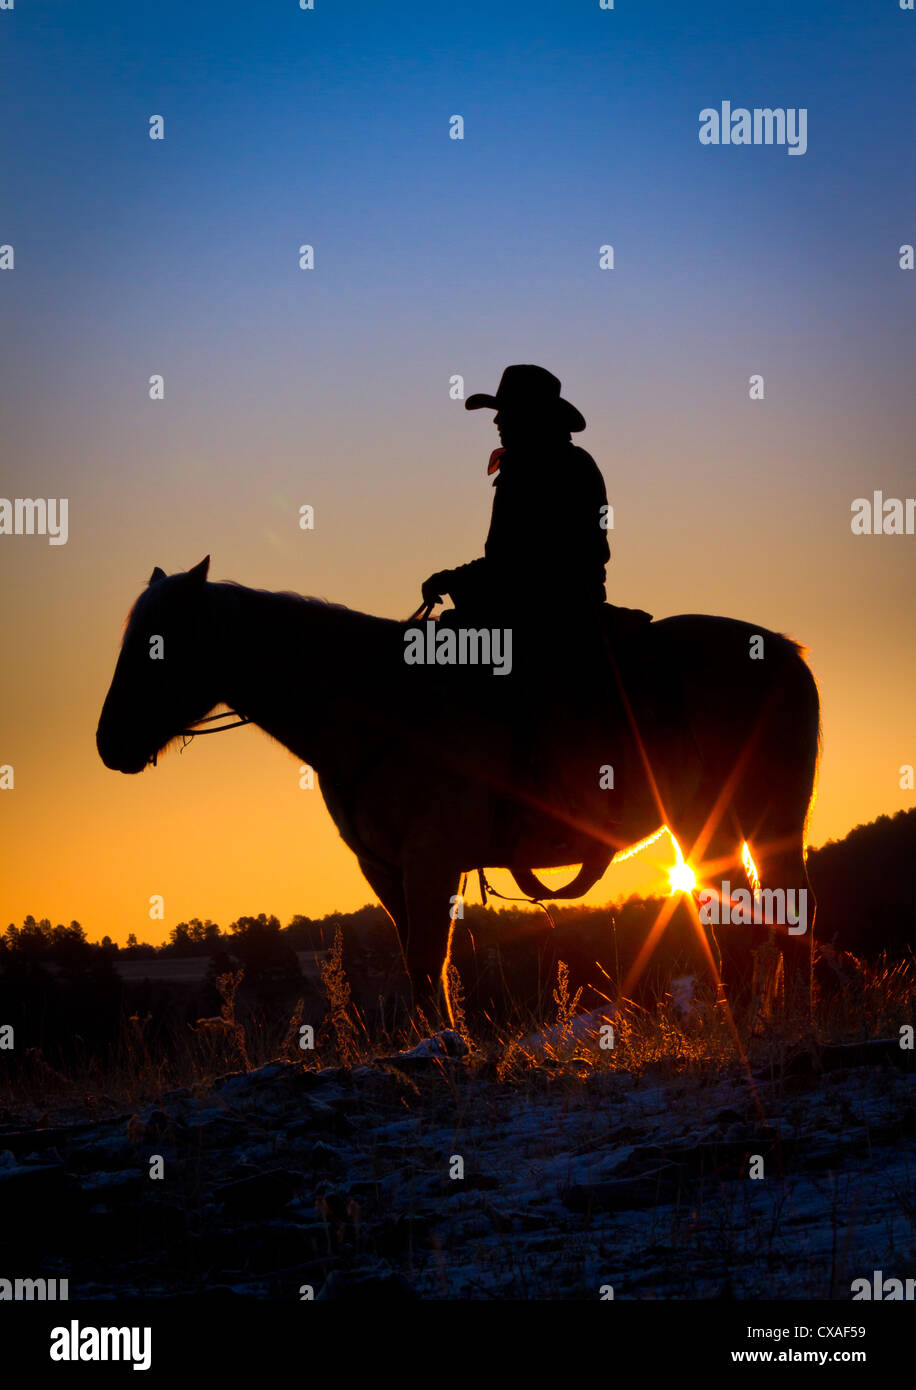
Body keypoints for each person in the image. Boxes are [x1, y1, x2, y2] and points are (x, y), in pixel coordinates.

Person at [420, 365, 617, 847]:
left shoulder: (545, 467)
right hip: (545, 599)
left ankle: (510, 796)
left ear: (531, 417)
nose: (497, 423)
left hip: (553, 608)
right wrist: (466, 580)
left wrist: (456, 580)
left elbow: (520, 561)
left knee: (458, 663)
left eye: (505, 414)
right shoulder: (554, 463)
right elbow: (509, 560)